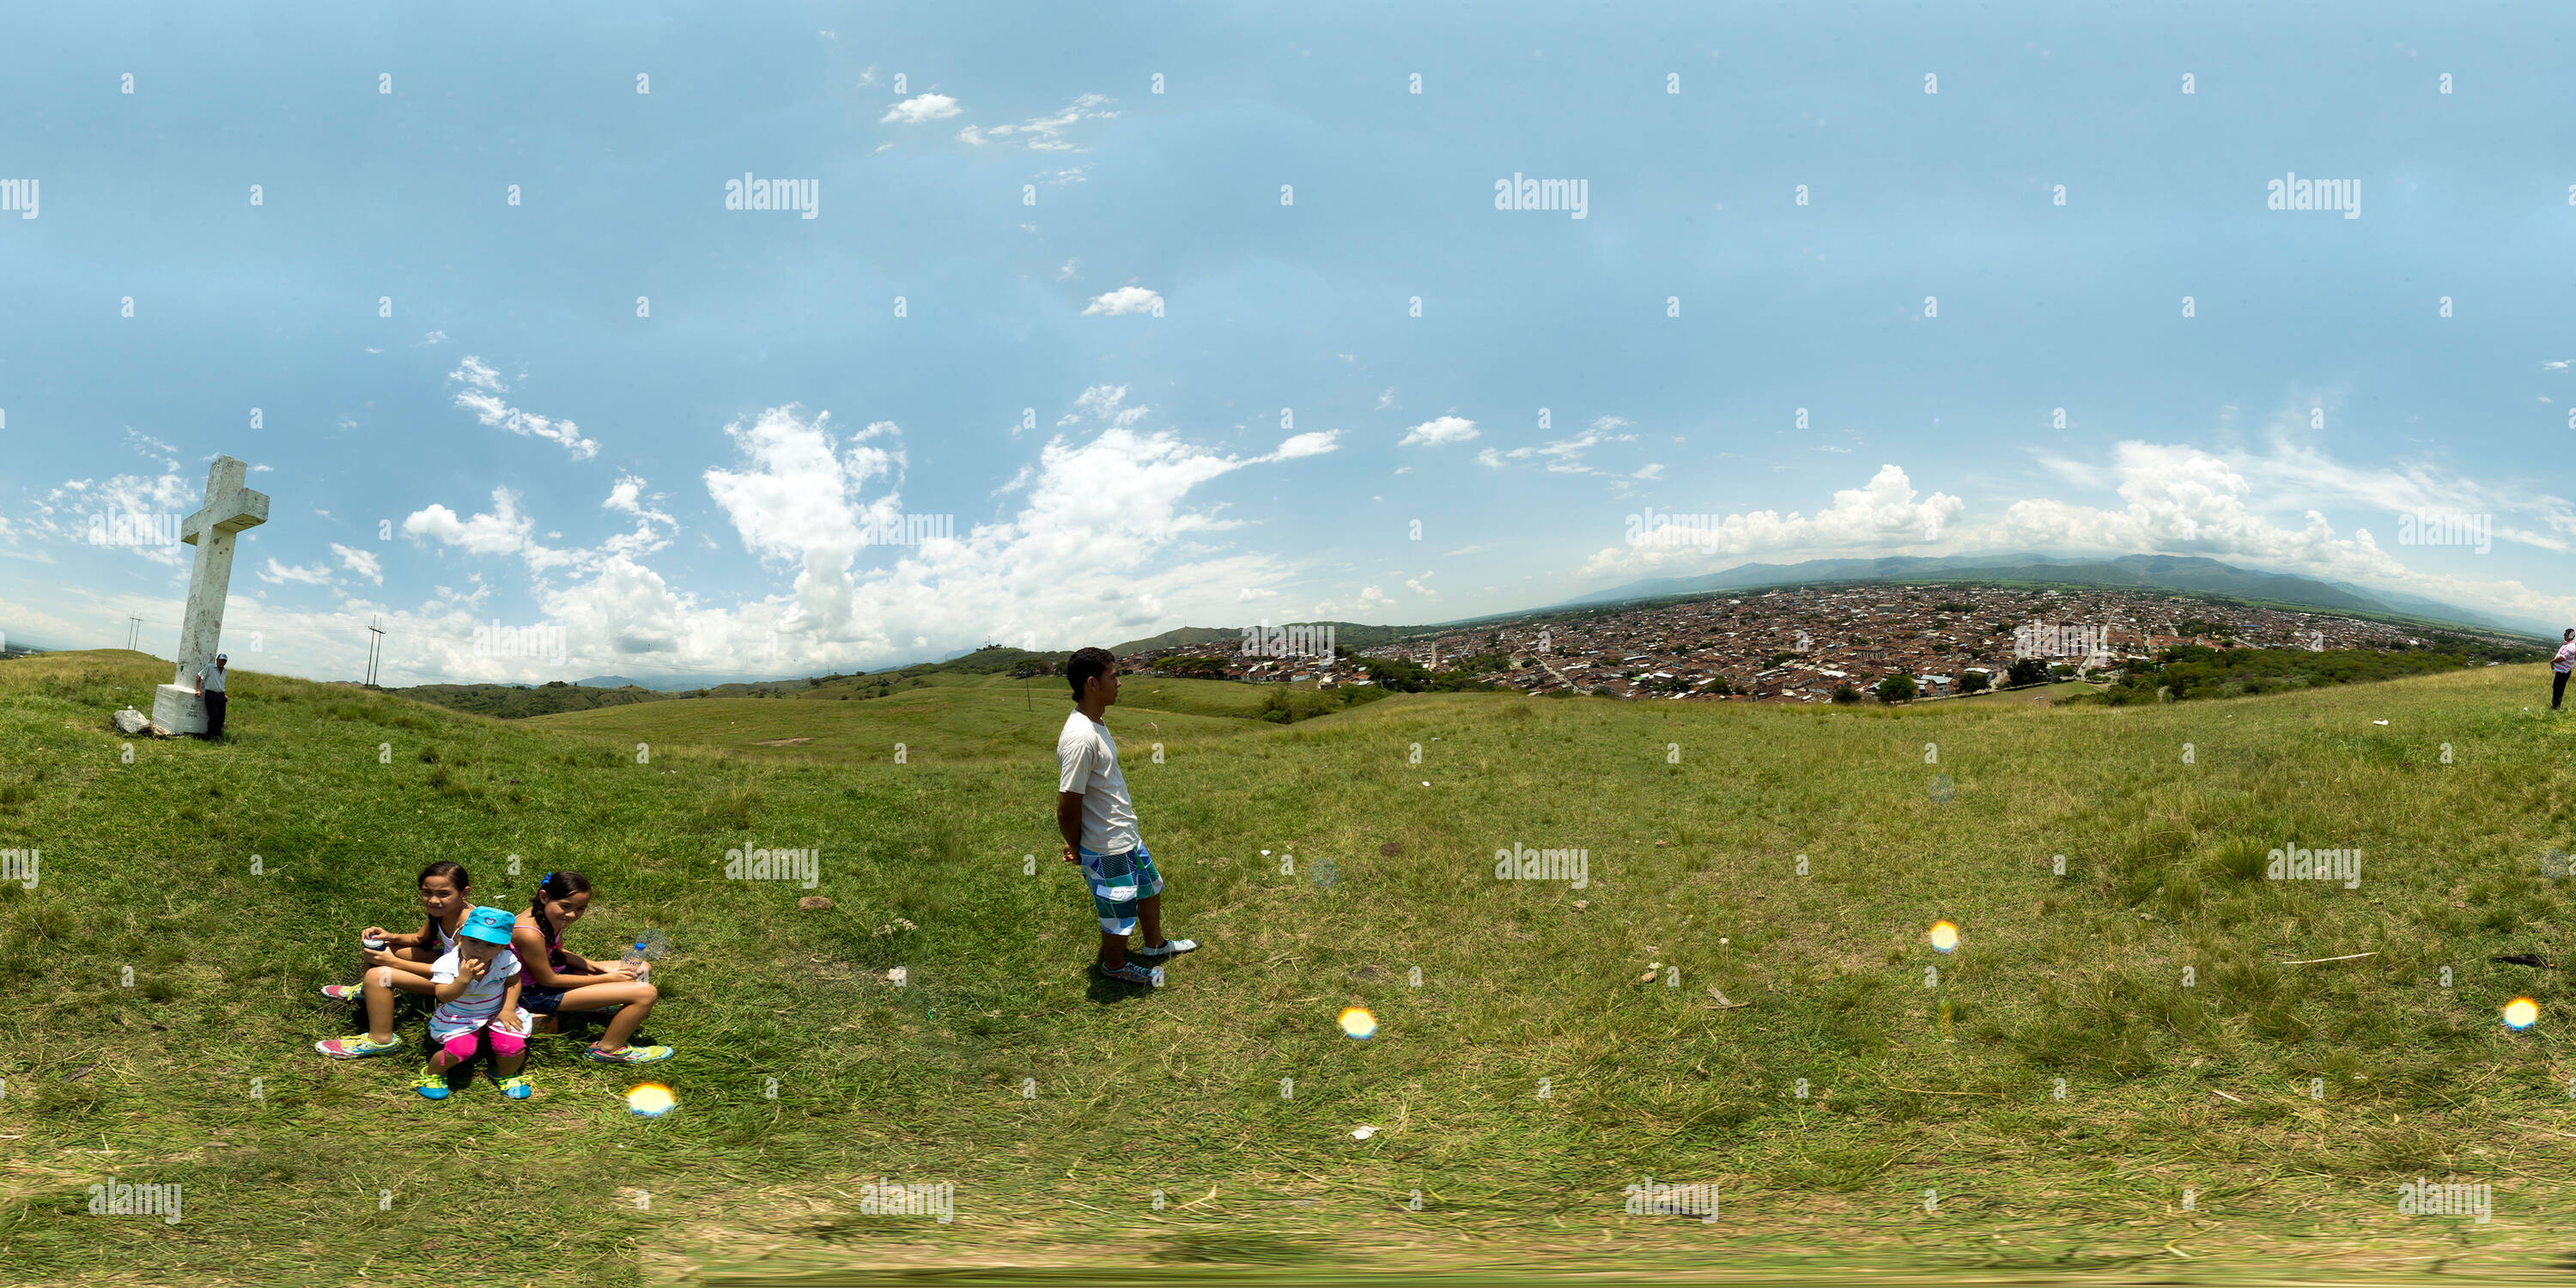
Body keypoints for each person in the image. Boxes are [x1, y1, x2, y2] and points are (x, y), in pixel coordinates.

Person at [1056, 647, 1194, 986]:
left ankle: (1154, 945)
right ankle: (1114, 966)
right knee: (1119, 913)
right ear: (1092, 683)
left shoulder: (1096, 722)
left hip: (1124, 835)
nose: (1119, 682)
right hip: (1107, 845)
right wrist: (1077, 847)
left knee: (1150, 888)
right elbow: (1067, 805)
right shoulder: (1080, 737)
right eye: (1114, 676)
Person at [508, 870, 673, 1065]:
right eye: (566, 906)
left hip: (555, 974)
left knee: (642, 967)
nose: (572, 914)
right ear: (544, 897)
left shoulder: (548, 914)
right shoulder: (529, 933)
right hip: (535, 994)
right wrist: (608, 978)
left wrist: (596, 967)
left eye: (580, 909)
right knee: (646, 994)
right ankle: (607, 1050)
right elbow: (548, 980)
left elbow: (554, 951)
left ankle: (592, 1004)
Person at [315, 860, 473, 1059]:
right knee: (384, 948)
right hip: (449, 963)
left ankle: (381, 1040)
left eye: (443, 894)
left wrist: (392, 963)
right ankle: (369, 993)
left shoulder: (470, 926)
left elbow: (457, 973)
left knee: (378, 975)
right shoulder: (443, 910)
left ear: (464, 893)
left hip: (461, 987)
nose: (433, 900)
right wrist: (387, 936)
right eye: (427, 892)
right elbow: (419, 939)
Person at [417, 906, 532, 1100]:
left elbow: (513, 983)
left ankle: (505, 1073)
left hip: (495, 1010)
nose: (479, 950)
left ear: (502, 947)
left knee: (513, 1047)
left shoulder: (505, 959)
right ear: (461, 938)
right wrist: (463, 979)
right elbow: (443, 996)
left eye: (491, 945)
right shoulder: (448, 964)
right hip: (460, 1014)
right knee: (461, 1049)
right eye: (473, 941)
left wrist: (507, 1009)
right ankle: (433, 1074)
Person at [195, 653, 228, 739]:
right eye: (221, 660)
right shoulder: (210, 667)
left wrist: (224, 694)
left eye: (224, 661)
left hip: (221, 696)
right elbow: (199, 676)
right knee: (214, 716)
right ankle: (208, 736)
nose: (222, 662)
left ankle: (217, 735)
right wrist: (198, 689)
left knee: (221, 718)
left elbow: (220, 683)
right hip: (211, 694)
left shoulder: (225, 671)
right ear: (217, 660)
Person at [2555, 628, 2573, 711]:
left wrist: (2552, 661)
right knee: (2556, 687)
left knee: (2559, 689)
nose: (2564, 636)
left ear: (2570, 636)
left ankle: (2556, 707)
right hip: (2559, 671)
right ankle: (2554, 705)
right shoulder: (2566, 644)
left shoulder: (2571, 646)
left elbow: (2563, 658)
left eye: (2565, 635)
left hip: (2564, 672)